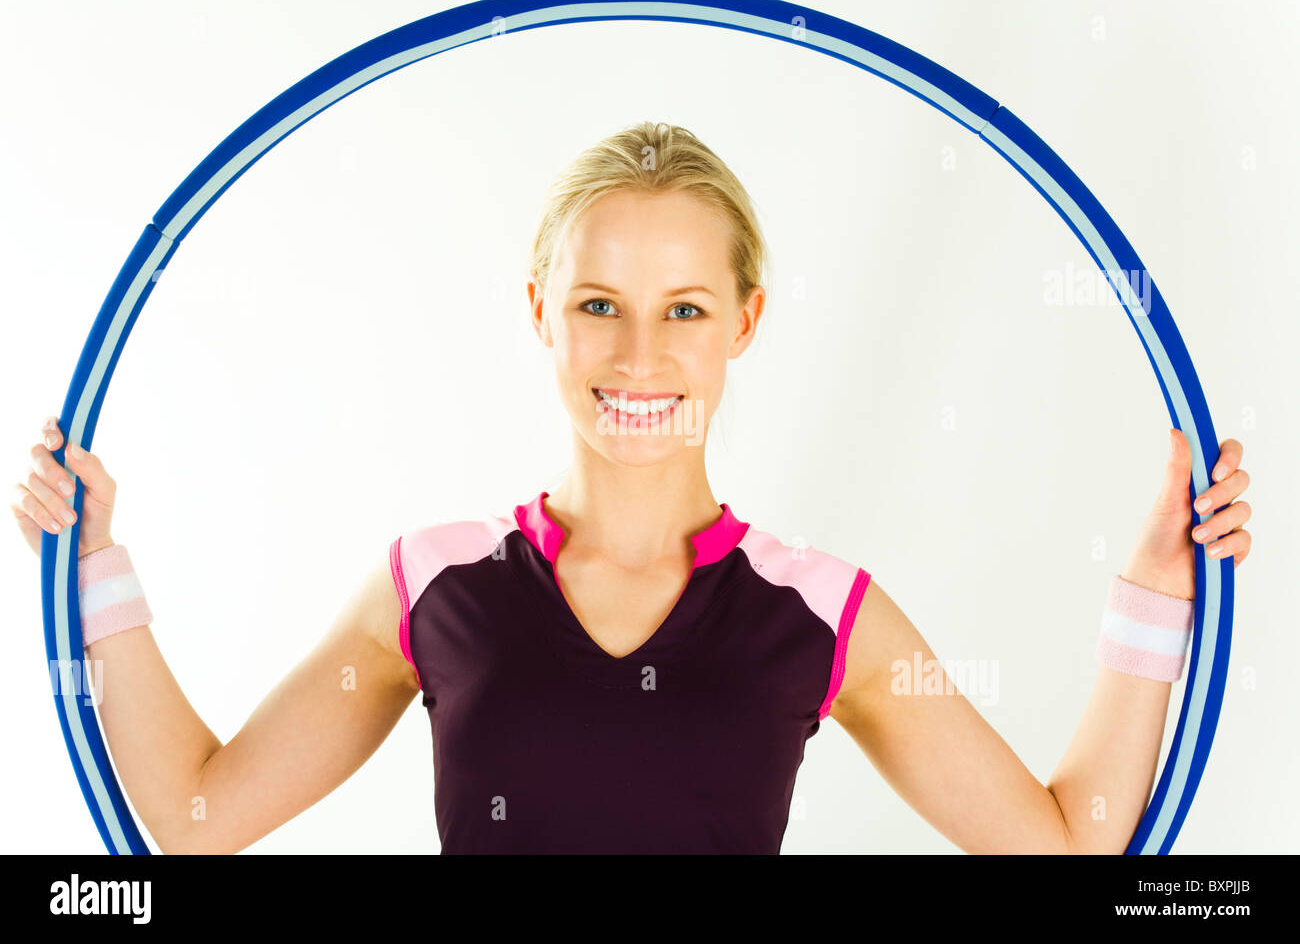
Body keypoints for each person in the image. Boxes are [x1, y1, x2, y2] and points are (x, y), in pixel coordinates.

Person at [12, 121, 1253, 854]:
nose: (641, 355)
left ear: (745, 322)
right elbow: (189, 813)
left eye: (685, 310)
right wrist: (95, 564)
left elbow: (1074, 843)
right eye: (599, 304)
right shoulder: (430, 584)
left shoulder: (821, 614)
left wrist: (1155, 584)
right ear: (541, 311)